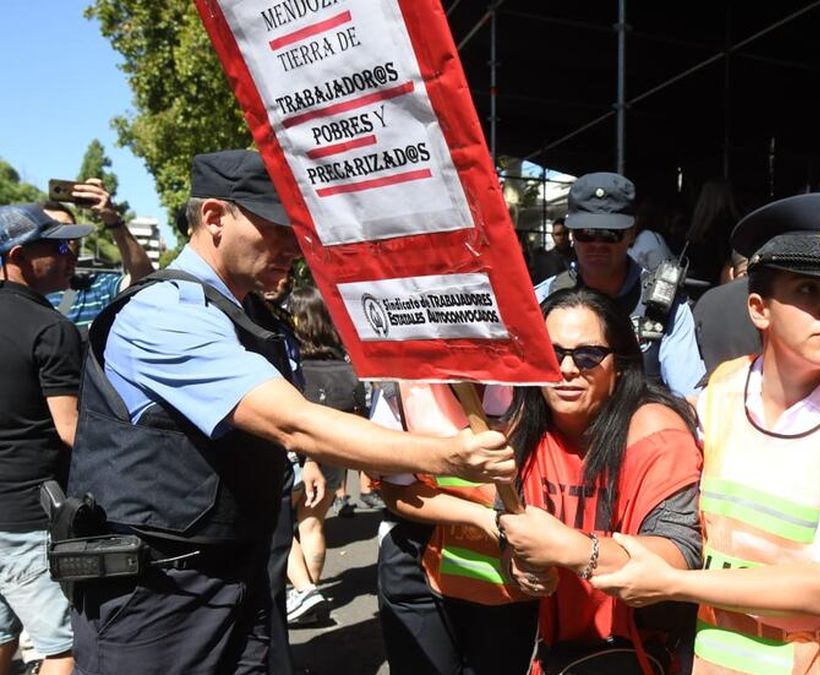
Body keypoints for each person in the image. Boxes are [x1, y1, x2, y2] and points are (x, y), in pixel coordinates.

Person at [65, 149, 517, 674]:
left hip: (237, 573)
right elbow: (293, 420)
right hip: (159, 596)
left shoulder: (251, 314)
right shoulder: (163, 316)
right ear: (214, 217)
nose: (294, 248)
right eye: (277, 227)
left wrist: (305, 466)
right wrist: (447, 455)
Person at [590, 192, 820, 675]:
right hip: (719, 653)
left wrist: (674, 584)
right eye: (809, 291)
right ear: (758, 309)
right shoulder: (721, 392)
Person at [496, 287, 704, 673]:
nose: (567, 368)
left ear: (621, 365)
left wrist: (571, 549)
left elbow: (678, 555)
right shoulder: (522, 431)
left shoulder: (655, 431)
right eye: (551, 353)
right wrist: (521, 567)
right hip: (558, 654)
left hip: (640, 656)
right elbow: (509, 535)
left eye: (588, 355)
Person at [374, 380, 540, 675]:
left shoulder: (538, 381)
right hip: (419, 564)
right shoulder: (405, 385)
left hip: (511, 579)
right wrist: (483, 518)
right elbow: (393, 488)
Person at [0, 203, 93, 675]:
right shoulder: (51, 329)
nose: (70, 254)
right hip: (30, 518)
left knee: (2, 637)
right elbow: (72, 429)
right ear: (17, 255)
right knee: (64, 649)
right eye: (56, 246)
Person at [535, 172, 706, 397]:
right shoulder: (543, 299)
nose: (597, 244)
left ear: (631, 234)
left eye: (609, 234)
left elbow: (689, 396)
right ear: (572, 236)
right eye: (586, 233)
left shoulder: (666, 304)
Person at [285, 285, 367, 625]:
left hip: (295, 458)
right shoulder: (347, 366)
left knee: (276, 527)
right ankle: (309, 593)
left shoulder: (290, 364)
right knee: (313, 523)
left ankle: (304, 591)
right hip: (334, 457)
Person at [43, 179, 155, 329]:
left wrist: (112, 219)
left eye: (69, 231)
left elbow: (144, 278)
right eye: (53, 232)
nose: (64, 240)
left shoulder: (96, 289)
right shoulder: (14, 299)